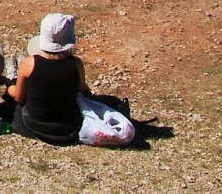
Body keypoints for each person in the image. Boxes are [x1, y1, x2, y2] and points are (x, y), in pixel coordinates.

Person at [8, 13, 135, 147]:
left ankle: (12, 76)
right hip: (68, 128)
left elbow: (19, 97)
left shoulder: (29, 63)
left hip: (34, 125)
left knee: (17, 100)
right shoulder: (76, 64)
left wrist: (9, 85)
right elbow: (83, 90)